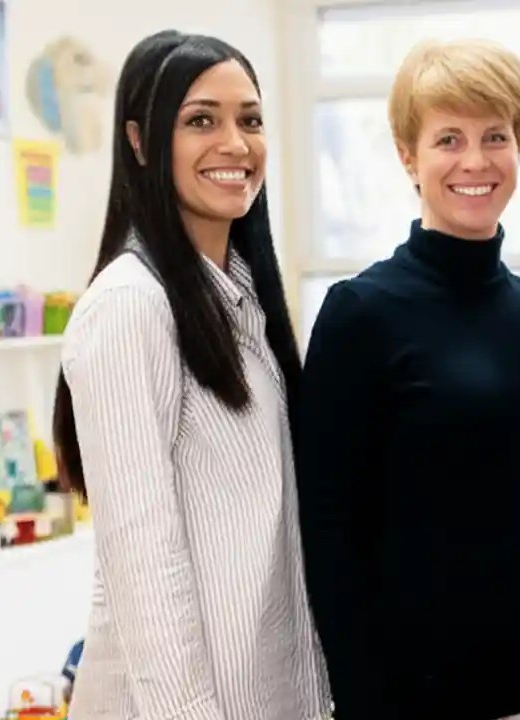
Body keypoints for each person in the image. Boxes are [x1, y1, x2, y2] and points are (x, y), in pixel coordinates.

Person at [297, 39, 520, 719]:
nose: (475, 161)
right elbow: (330, 533)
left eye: (496, 136)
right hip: (418, 695)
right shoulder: (359, 313)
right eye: (448, 139)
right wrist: (364, 697)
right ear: (408, 156)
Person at [52, 30, 330, 720]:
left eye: (251, 119)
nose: (235, 144)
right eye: (200, 120)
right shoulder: (129, 308)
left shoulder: (242, 302)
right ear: (141, 144)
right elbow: (143, 563)